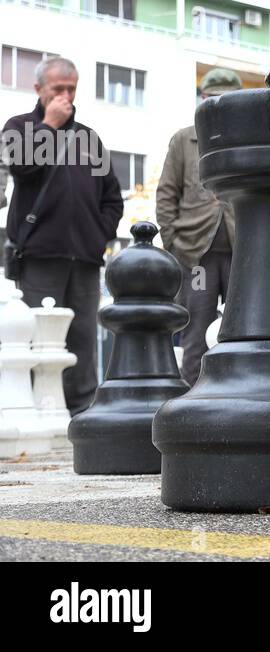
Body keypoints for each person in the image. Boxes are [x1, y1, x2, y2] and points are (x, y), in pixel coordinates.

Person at [3, 57, 123, 415]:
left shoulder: (89, 138)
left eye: (72, 88)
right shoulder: (18, 127)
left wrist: (97, 233)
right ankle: (37, 413)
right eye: (58, 88)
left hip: (85, 258)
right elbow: (23, 168)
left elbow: (112, 197)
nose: (66, 95)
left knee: (83, 339)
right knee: (38, 339)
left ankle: (81, 414)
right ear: (39, 89)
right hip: (39, 255)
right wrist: (49, 126)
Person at [156, 67, 241, 386]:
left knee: (242, 330)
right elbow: (167, 191)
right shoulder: (184, 140)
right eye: (211, 98)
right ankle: (192, 396)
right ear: (201, 100)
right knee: (195, 331)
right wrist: (172, 243)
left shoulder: (245, 138)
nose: (217, 106)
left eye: (225, 99)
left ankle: (237, 396)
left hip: (239, 253)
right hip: (195, 256)